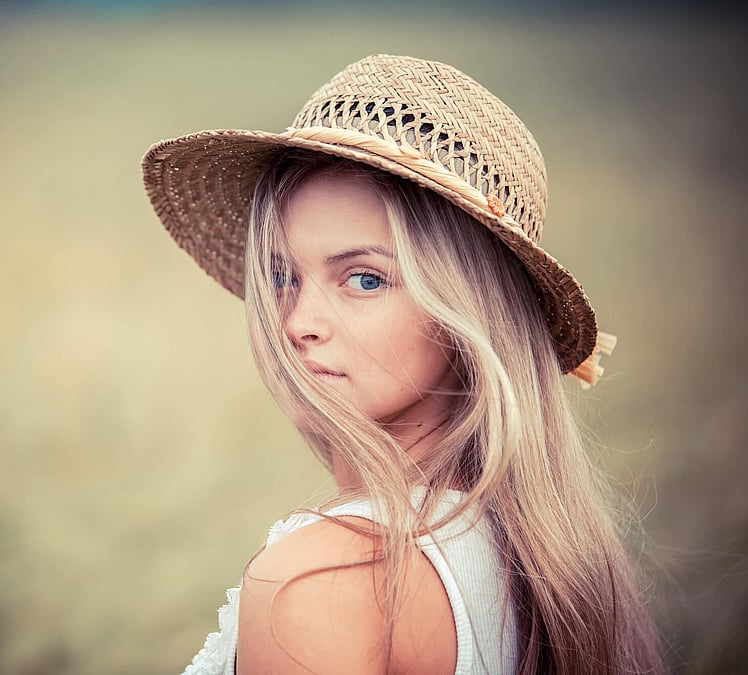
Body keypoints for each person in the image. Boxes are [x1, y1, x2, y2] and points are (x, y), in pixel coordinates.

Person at [141, 54, 662, 674]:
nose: (296, 323)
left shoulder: (321, 579)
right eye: (282, 276)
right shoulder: (545, 564)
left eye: (364, 278)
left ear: (467, 313)